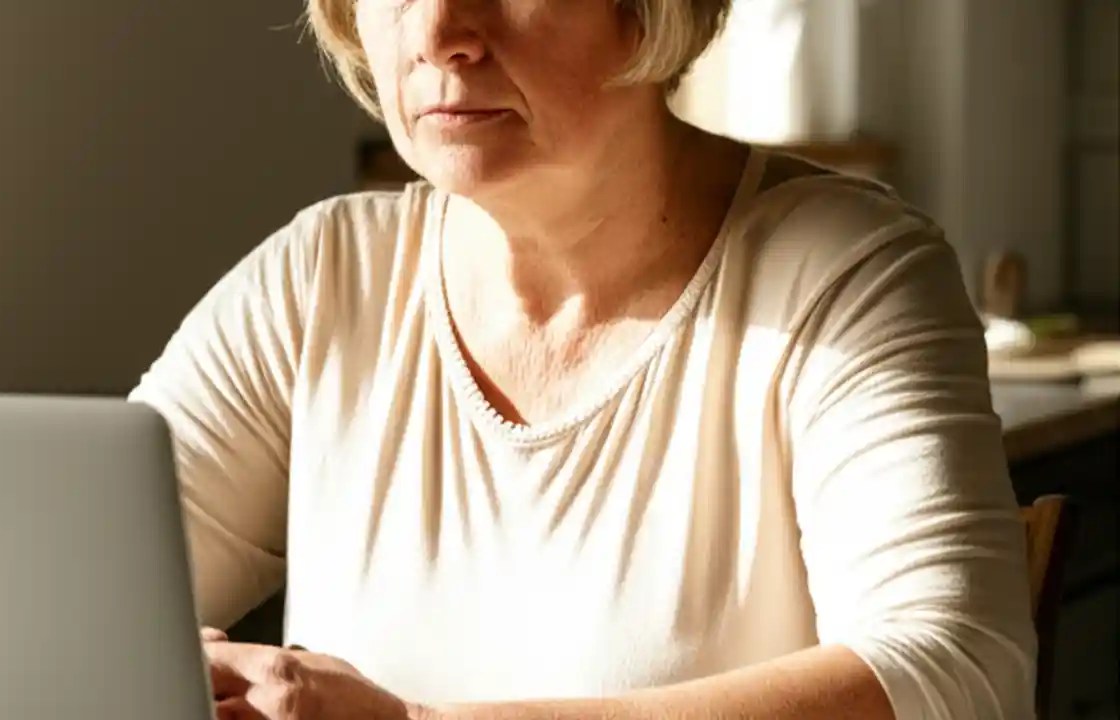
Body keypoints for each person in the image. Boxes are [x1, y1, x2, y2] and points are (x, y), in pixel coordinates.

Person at [128, 0, 1037, 717]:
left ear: (650, 8)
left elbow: (957, 678)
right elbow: (64, 589)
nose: (440, 32)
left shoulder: (847, 274)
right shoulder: (320, 279)